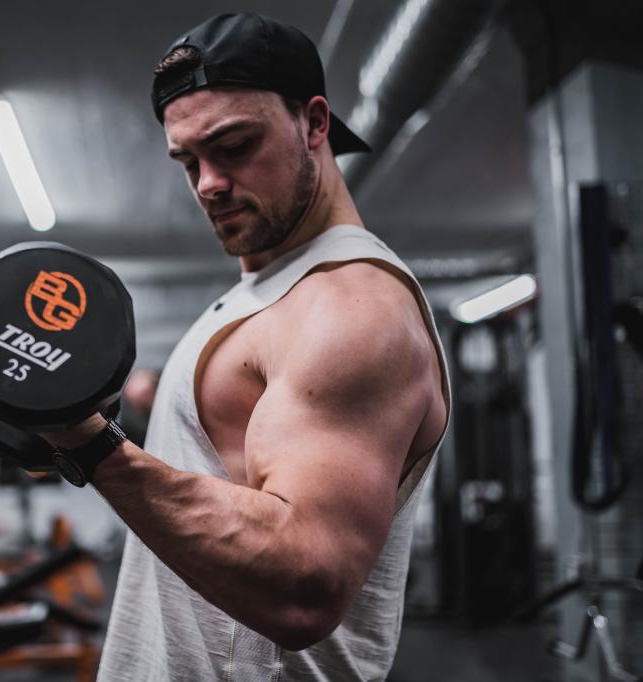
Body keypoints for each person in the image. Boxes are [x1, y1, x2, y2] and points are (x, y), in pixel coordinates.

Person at [41, 13, 451, 681]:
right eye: (188, 161)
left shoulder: (349, 308)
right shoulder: (269, 290)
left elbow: (303, 586)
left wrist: (88, 444)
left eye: (233, 146)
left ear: (313, 123)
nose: (207, 182)